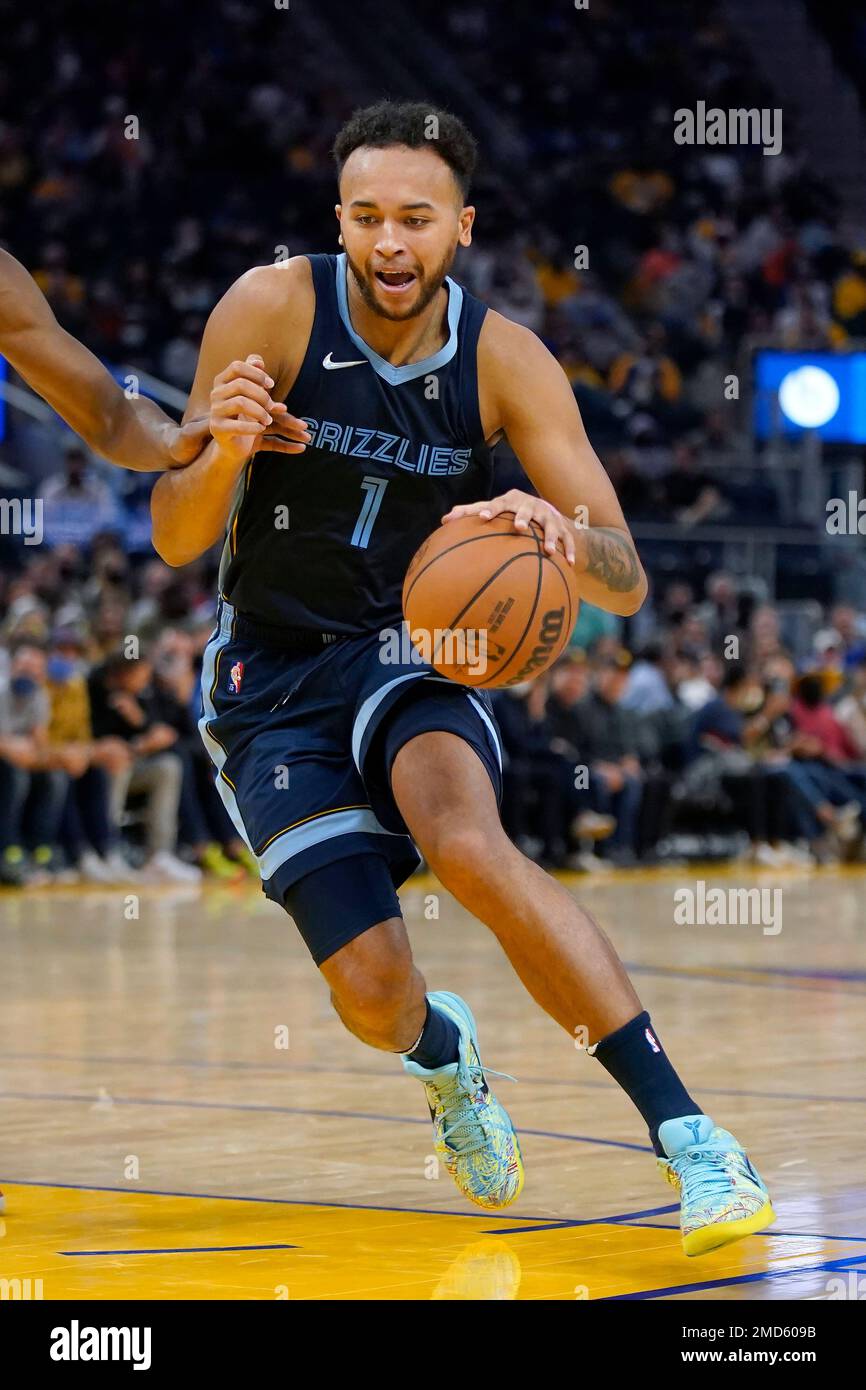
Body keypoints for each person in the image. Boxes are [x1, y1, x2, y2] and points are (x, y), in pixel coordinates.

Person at [150, 100, 772, 1256]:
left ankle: (692, 1137)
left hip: (408, 648)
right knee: (372, 995)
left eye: (416, 220)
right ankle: (443, 1055)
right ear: (339, 219)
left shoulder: (505, 360)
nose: (390, 243)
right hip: (266, 670)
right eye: (368, 217)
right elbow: (176, 537)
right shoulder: (271, 306)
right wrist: (222, 447)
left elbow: (625, 577)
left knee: (469, 845)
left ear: (460, 228)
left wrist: (554, 535)